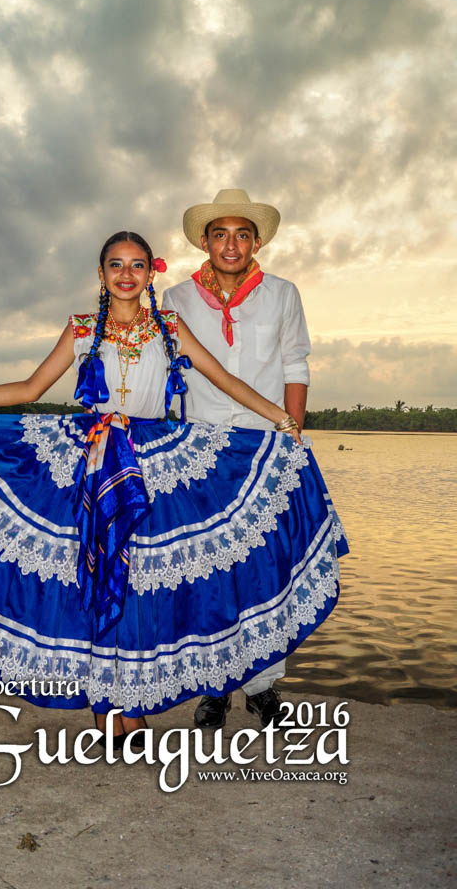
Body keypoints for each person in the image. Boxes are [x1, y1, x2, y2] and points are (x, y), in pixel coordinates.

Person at [0, 229, 347, 747]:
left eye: (137, 265)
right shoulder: (81, 329)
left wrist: (283, 421)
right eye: (116, 265)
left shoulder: (169, 325)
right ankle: (107, 706)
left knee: (139, 584)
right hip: (92, 459)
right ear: (101, 274)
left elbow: (222, 380)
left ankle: (129, 703)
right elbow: (31, 388)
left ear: (152, 273)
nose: (127, 274)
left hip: (153, 463)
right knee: (97, 579)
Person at [162, 188, 338, 729]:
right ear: (206, 242)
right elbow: (165, 375)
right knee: (209, 566)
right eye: (221, 234)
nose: (231, 244)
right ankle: (215, 686)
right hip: (200, 448)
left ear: (256, 241)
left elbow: (296, 365)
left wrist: (293, 432)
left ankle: (263, 685)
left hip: (266, 445)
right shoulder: (175, 299)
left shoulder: (283, 293)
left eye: (242, 234)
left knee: (264, 566)